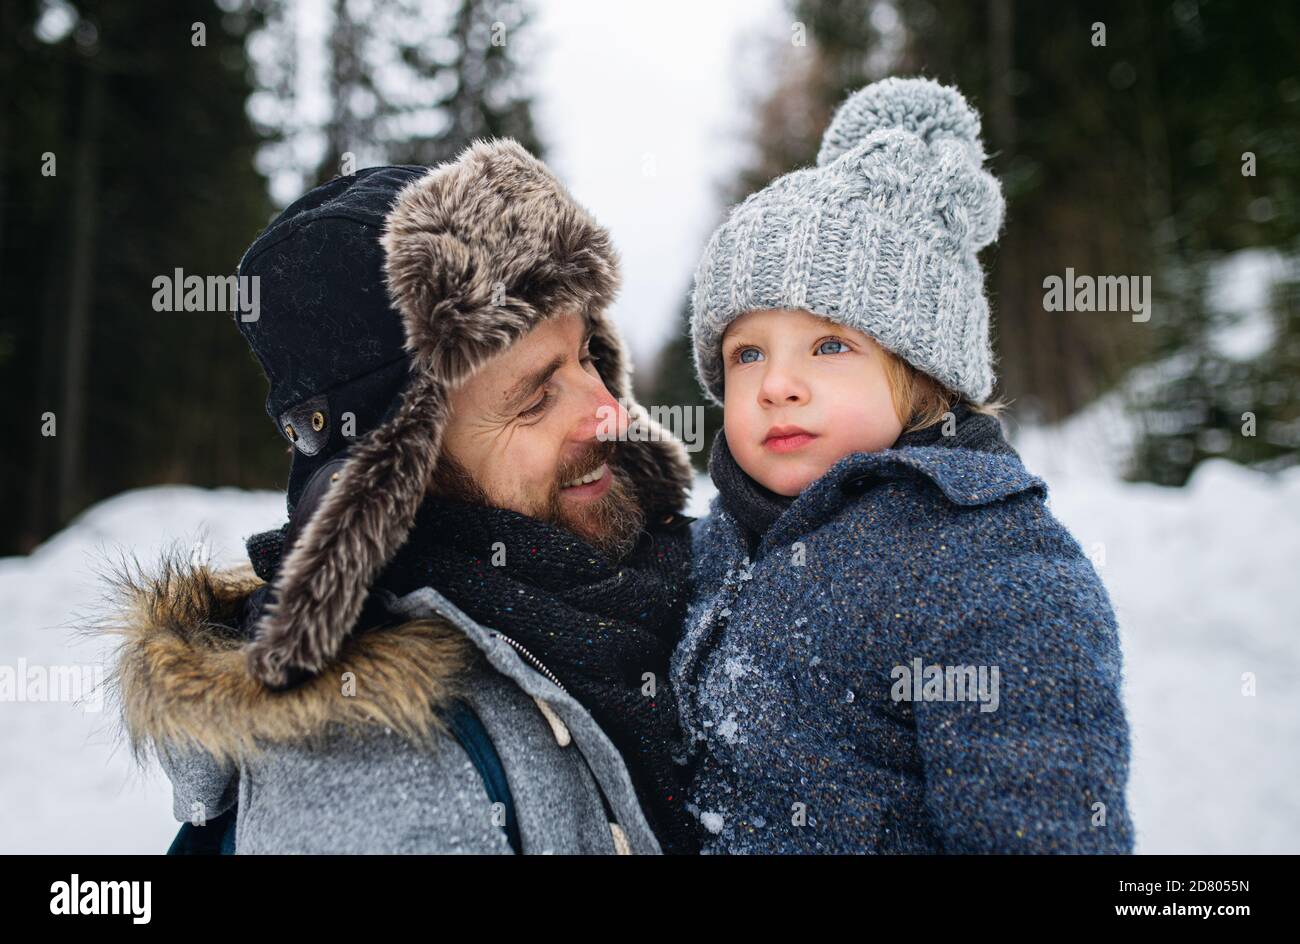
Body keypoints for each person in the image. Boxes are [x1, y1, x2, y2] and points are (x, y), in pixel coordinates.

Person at [100, 139, 700, 854]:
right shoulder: (375, 792)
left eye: (587, 357)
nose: (610, 412)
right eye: (536, 399)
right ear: (394, 480)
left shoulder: (644, 590)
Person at [671, 77, 1134, 853]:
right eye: (747, 353)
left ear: (923, 372)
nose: (777, 384)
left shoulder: (996, 575)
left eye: (829, 346)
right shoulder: (722, 541)